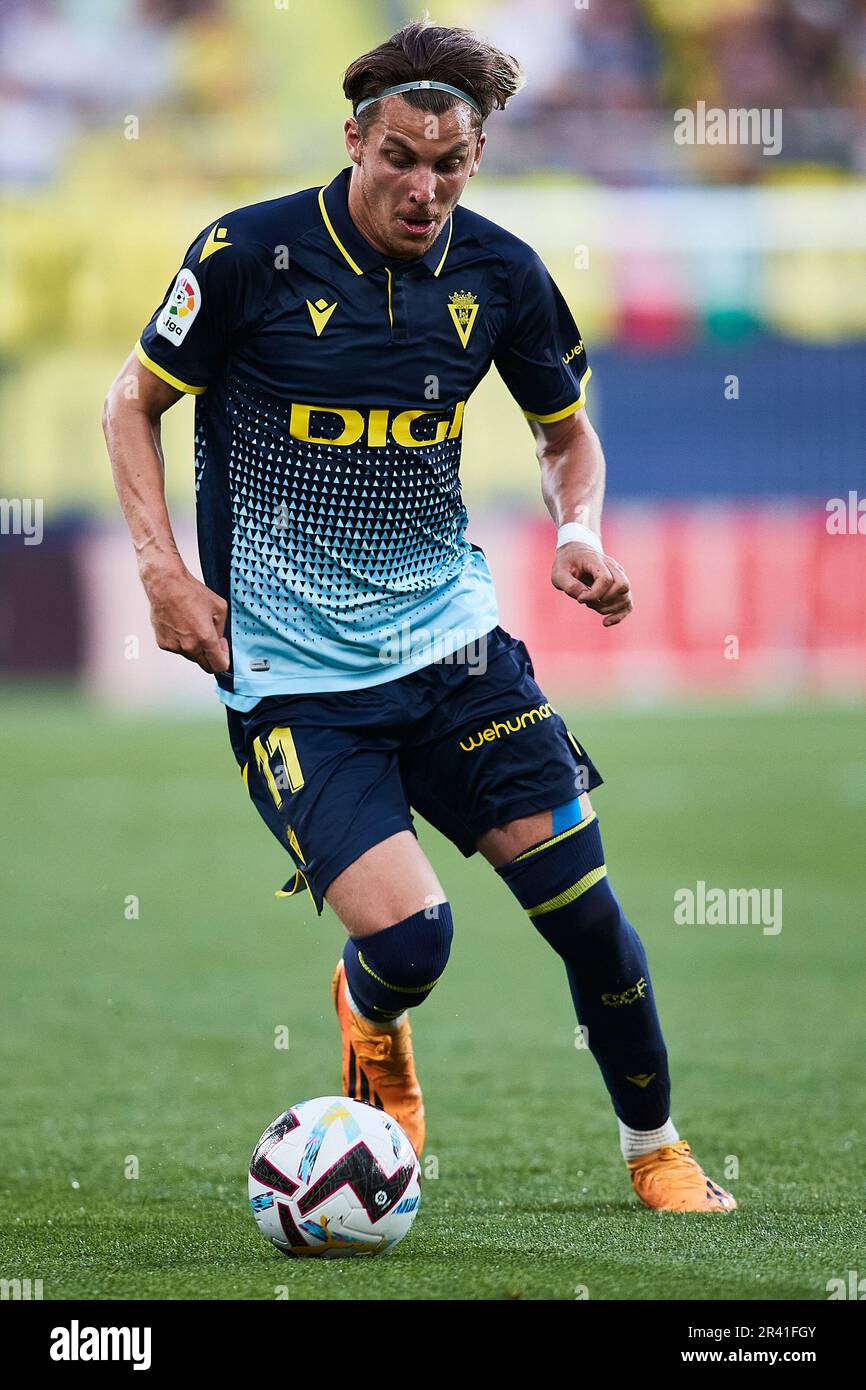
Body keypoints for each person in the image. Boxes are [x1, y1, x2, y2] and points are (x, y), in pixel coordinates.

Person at [103, 20, 735, 1213]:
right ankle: (372, 1015)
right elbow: (126, 405)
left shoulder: (498, 273)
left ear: (477, 156)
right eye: (401, 156)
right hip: (293, 675)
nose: (425, 187)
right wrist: (163, 575)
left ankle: (654, 1147)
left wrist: (578, 531)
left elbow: (565, 437)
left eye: (451, 164)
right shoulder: (250, 254)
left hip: (454, 653)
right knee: (411, 947)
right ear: (354, 138)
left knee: (584, 918)